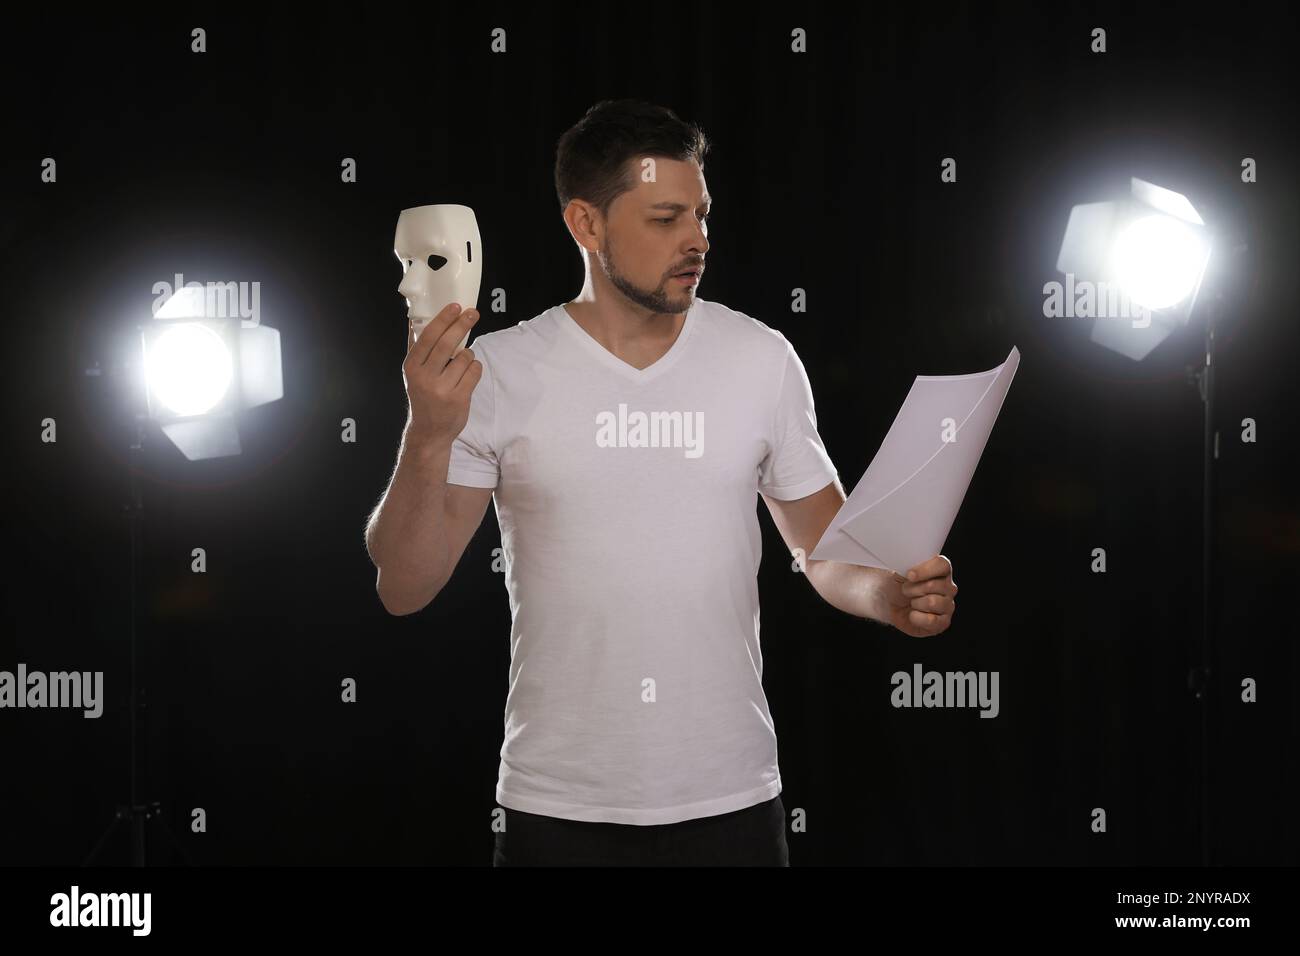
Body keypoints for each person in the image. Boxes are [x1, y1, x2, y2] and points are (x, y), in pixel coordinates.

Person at [365, 99, 957, 866]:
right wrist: (428, 431)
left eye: (701, 215)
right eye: (666, 218)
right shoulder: (499, 372)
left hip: (732, 801)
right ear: (585, 224)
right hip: (558, 806)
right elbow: (404, 585)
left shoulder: (761, 358)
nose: (697, 240)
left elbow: (824, 548)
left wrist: (886, 596)